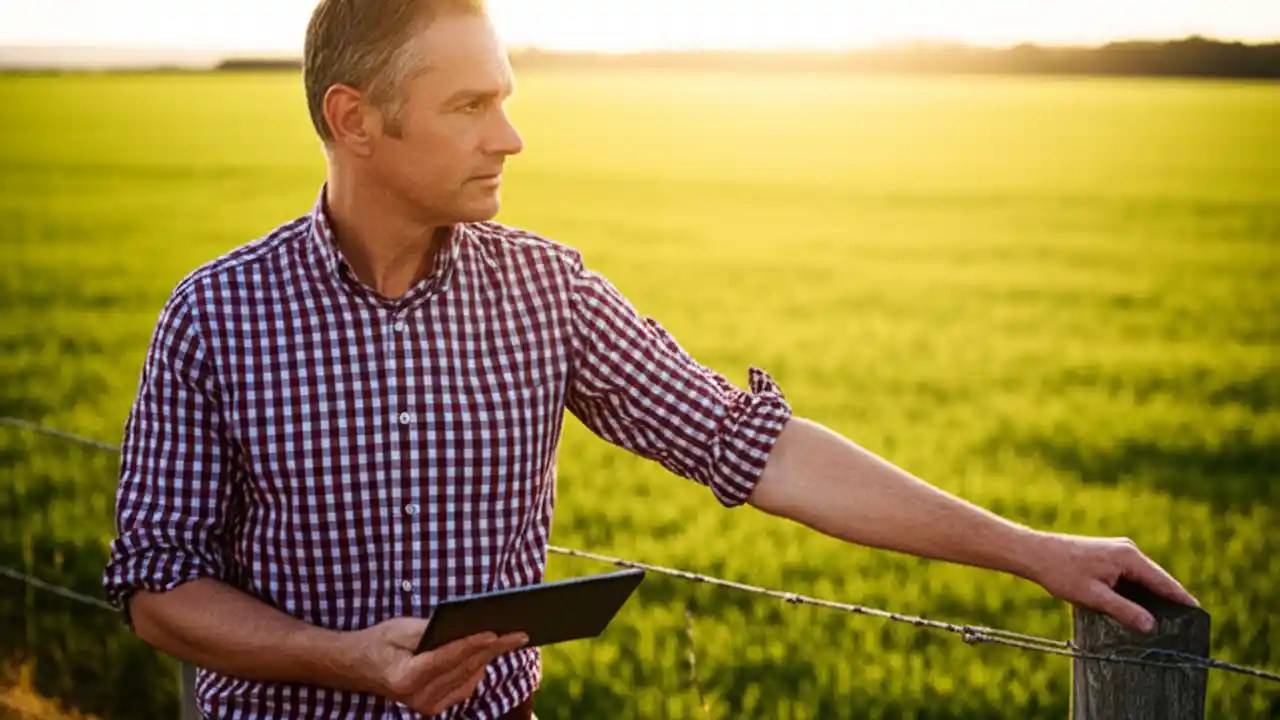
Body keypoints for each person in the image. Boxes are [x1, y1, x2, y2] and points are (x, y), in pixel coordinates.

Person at [102, 1, 1200, 718]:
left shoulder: (544, 289)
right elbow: (157, 589)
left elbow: (754, 447)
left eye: (508, 100)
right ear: (355, 120)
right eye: (469, 105)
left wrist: (1031, 551)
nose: (510, 138)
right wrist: (353, 660)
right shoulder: (217, 315)